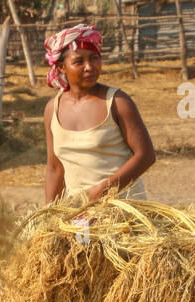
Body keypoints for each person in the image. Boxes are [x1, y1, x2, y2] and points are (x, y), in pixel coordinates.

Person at [43, 23, 156, 203]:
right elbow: (55, 169)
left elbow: (146, 156)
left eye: (94, 58)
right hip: (79, 213)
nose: (89, 67)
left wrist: (104, 189)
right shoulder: (52, 109)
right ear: (61, 67)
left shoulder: (117, 102)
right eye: (79, 61)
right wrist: (48, 215)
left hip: (123, 211)